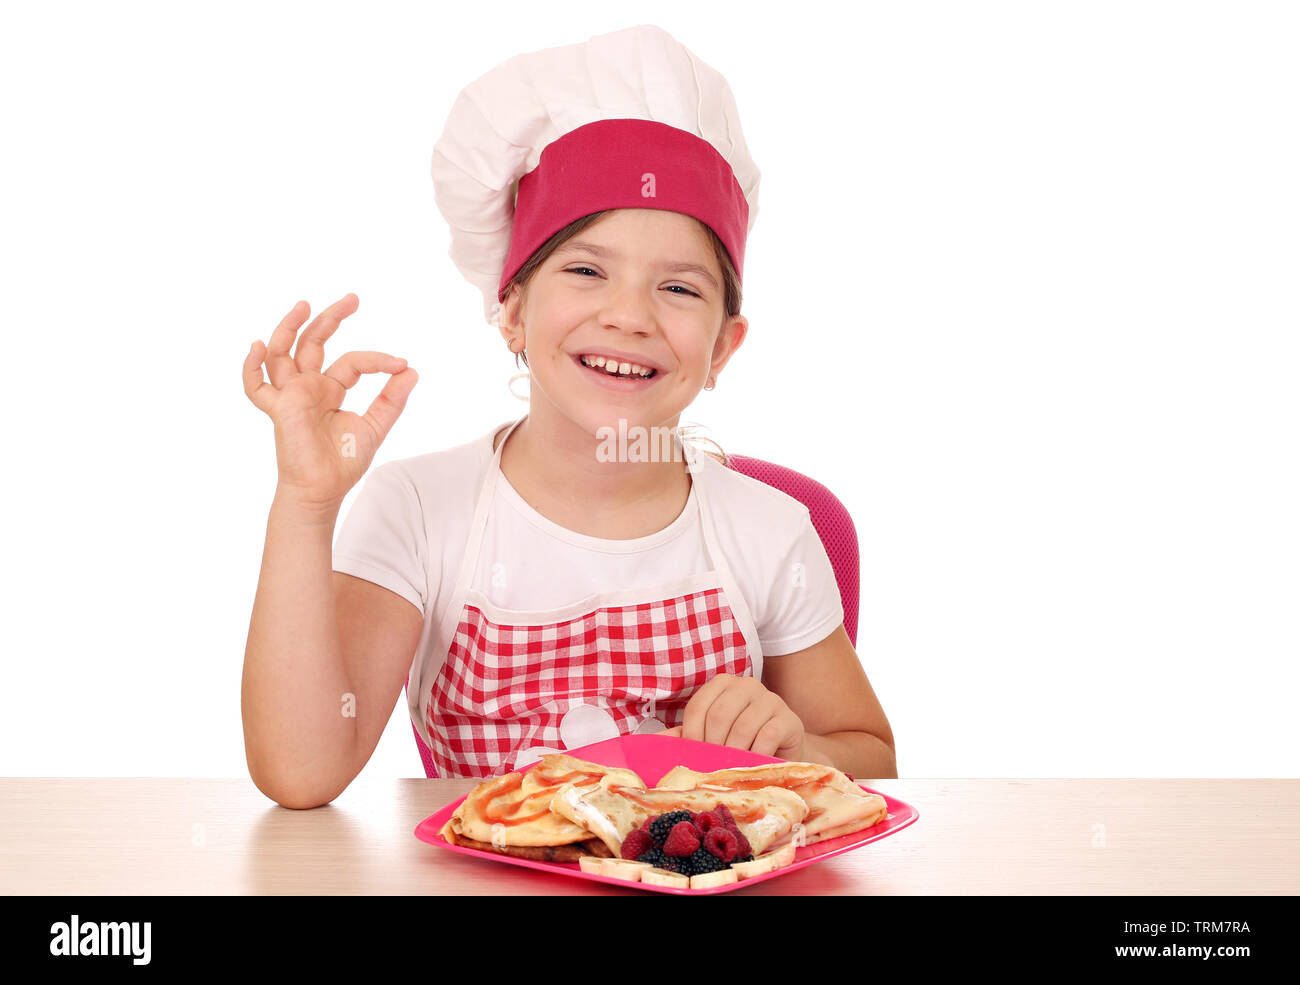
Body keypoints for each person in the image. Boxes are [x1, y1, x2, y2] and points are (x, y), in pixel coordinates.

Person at [241, 26, 895, 807]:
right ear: (511, 309)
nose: (628, 316)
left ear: (724, 345)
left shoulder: (768, 529)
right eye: (586, 270)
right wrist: (308, 504)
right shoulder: (419, 512)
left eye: (678, 288)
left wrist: (797, 743)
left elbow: (875, 757)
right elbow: (300, 772)